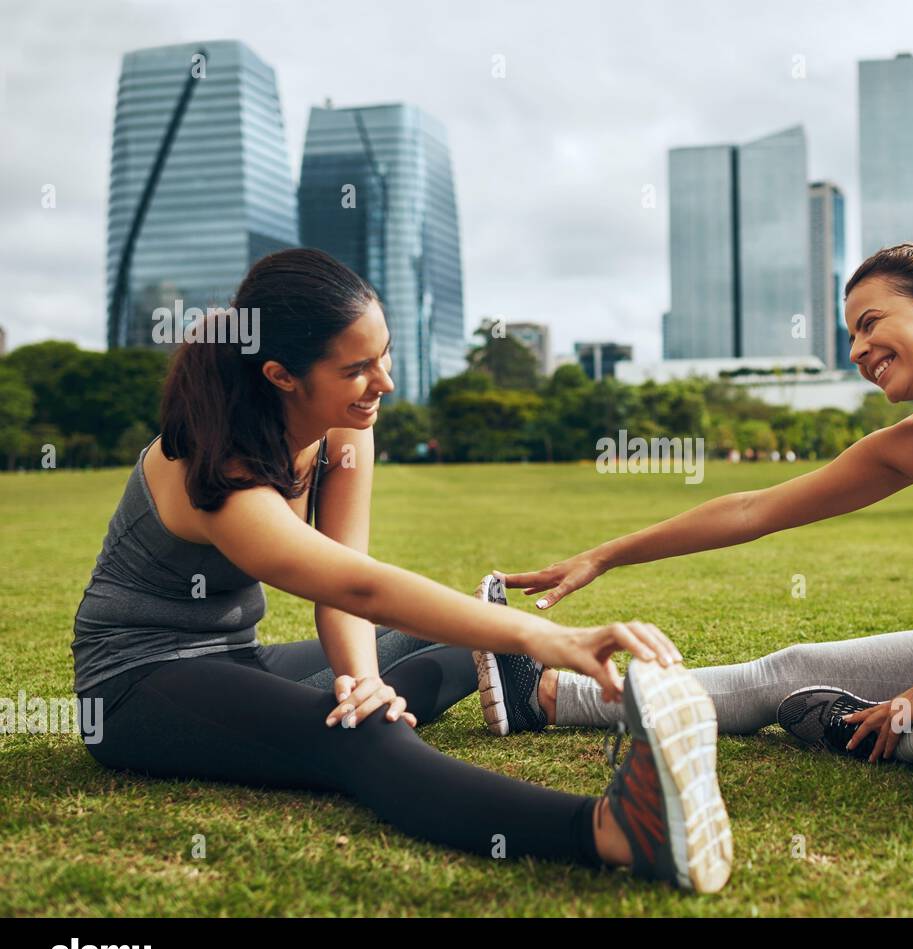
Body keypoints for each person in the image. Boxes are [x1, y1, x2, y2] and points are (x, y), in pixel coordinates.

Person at [71, 248, 732, 893]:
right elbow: (356, 586)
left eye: (383, 355)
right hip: (137, 682)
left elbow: (349, 573)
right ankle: (615, 831)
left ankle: (520, 695)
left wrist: (360, 678)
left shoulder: (344, 428)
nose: (384, 381)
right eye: (357, 368)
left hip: (235, 656)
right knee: (359, 736)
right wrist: (549, 639)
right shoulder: (212, 465)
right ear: (281, 376)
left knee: (471, 635)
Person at [483, 242, 913, 774]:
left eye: (871, 323)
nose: (858, 350)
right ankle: (549, 699)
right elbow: (754, 507)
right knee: (788, 670)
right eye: (850, 336)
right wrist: (603, 555)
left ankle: (864, 736)